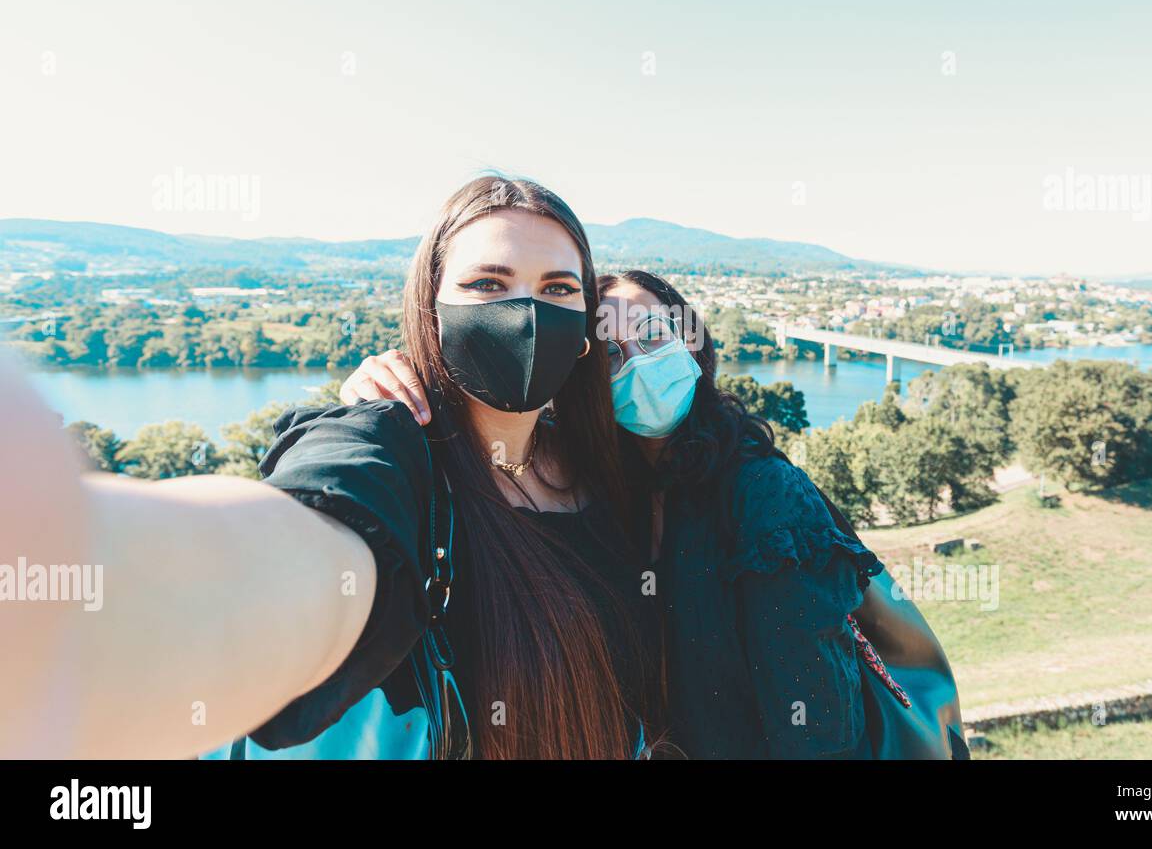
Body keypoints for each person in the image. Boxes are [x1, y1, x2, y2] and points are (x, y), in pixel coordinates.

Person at [0, 175, 661, 760]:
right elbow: (300, 546)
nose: (525, 312)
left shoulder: (612, 474)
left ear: (583, 333)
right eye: (487, 283)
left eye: (558, 288)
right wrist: (78, 573)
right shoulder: (390, 456)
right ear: (431, 311)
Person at [343, 269, 958, 757]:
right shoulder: (601, 492)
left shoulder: (764, 496)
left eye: (654, 336)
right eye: (610, 354)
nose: (636, 361)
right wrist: (383, 392)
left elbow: (819, 727)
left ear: (692, 342)